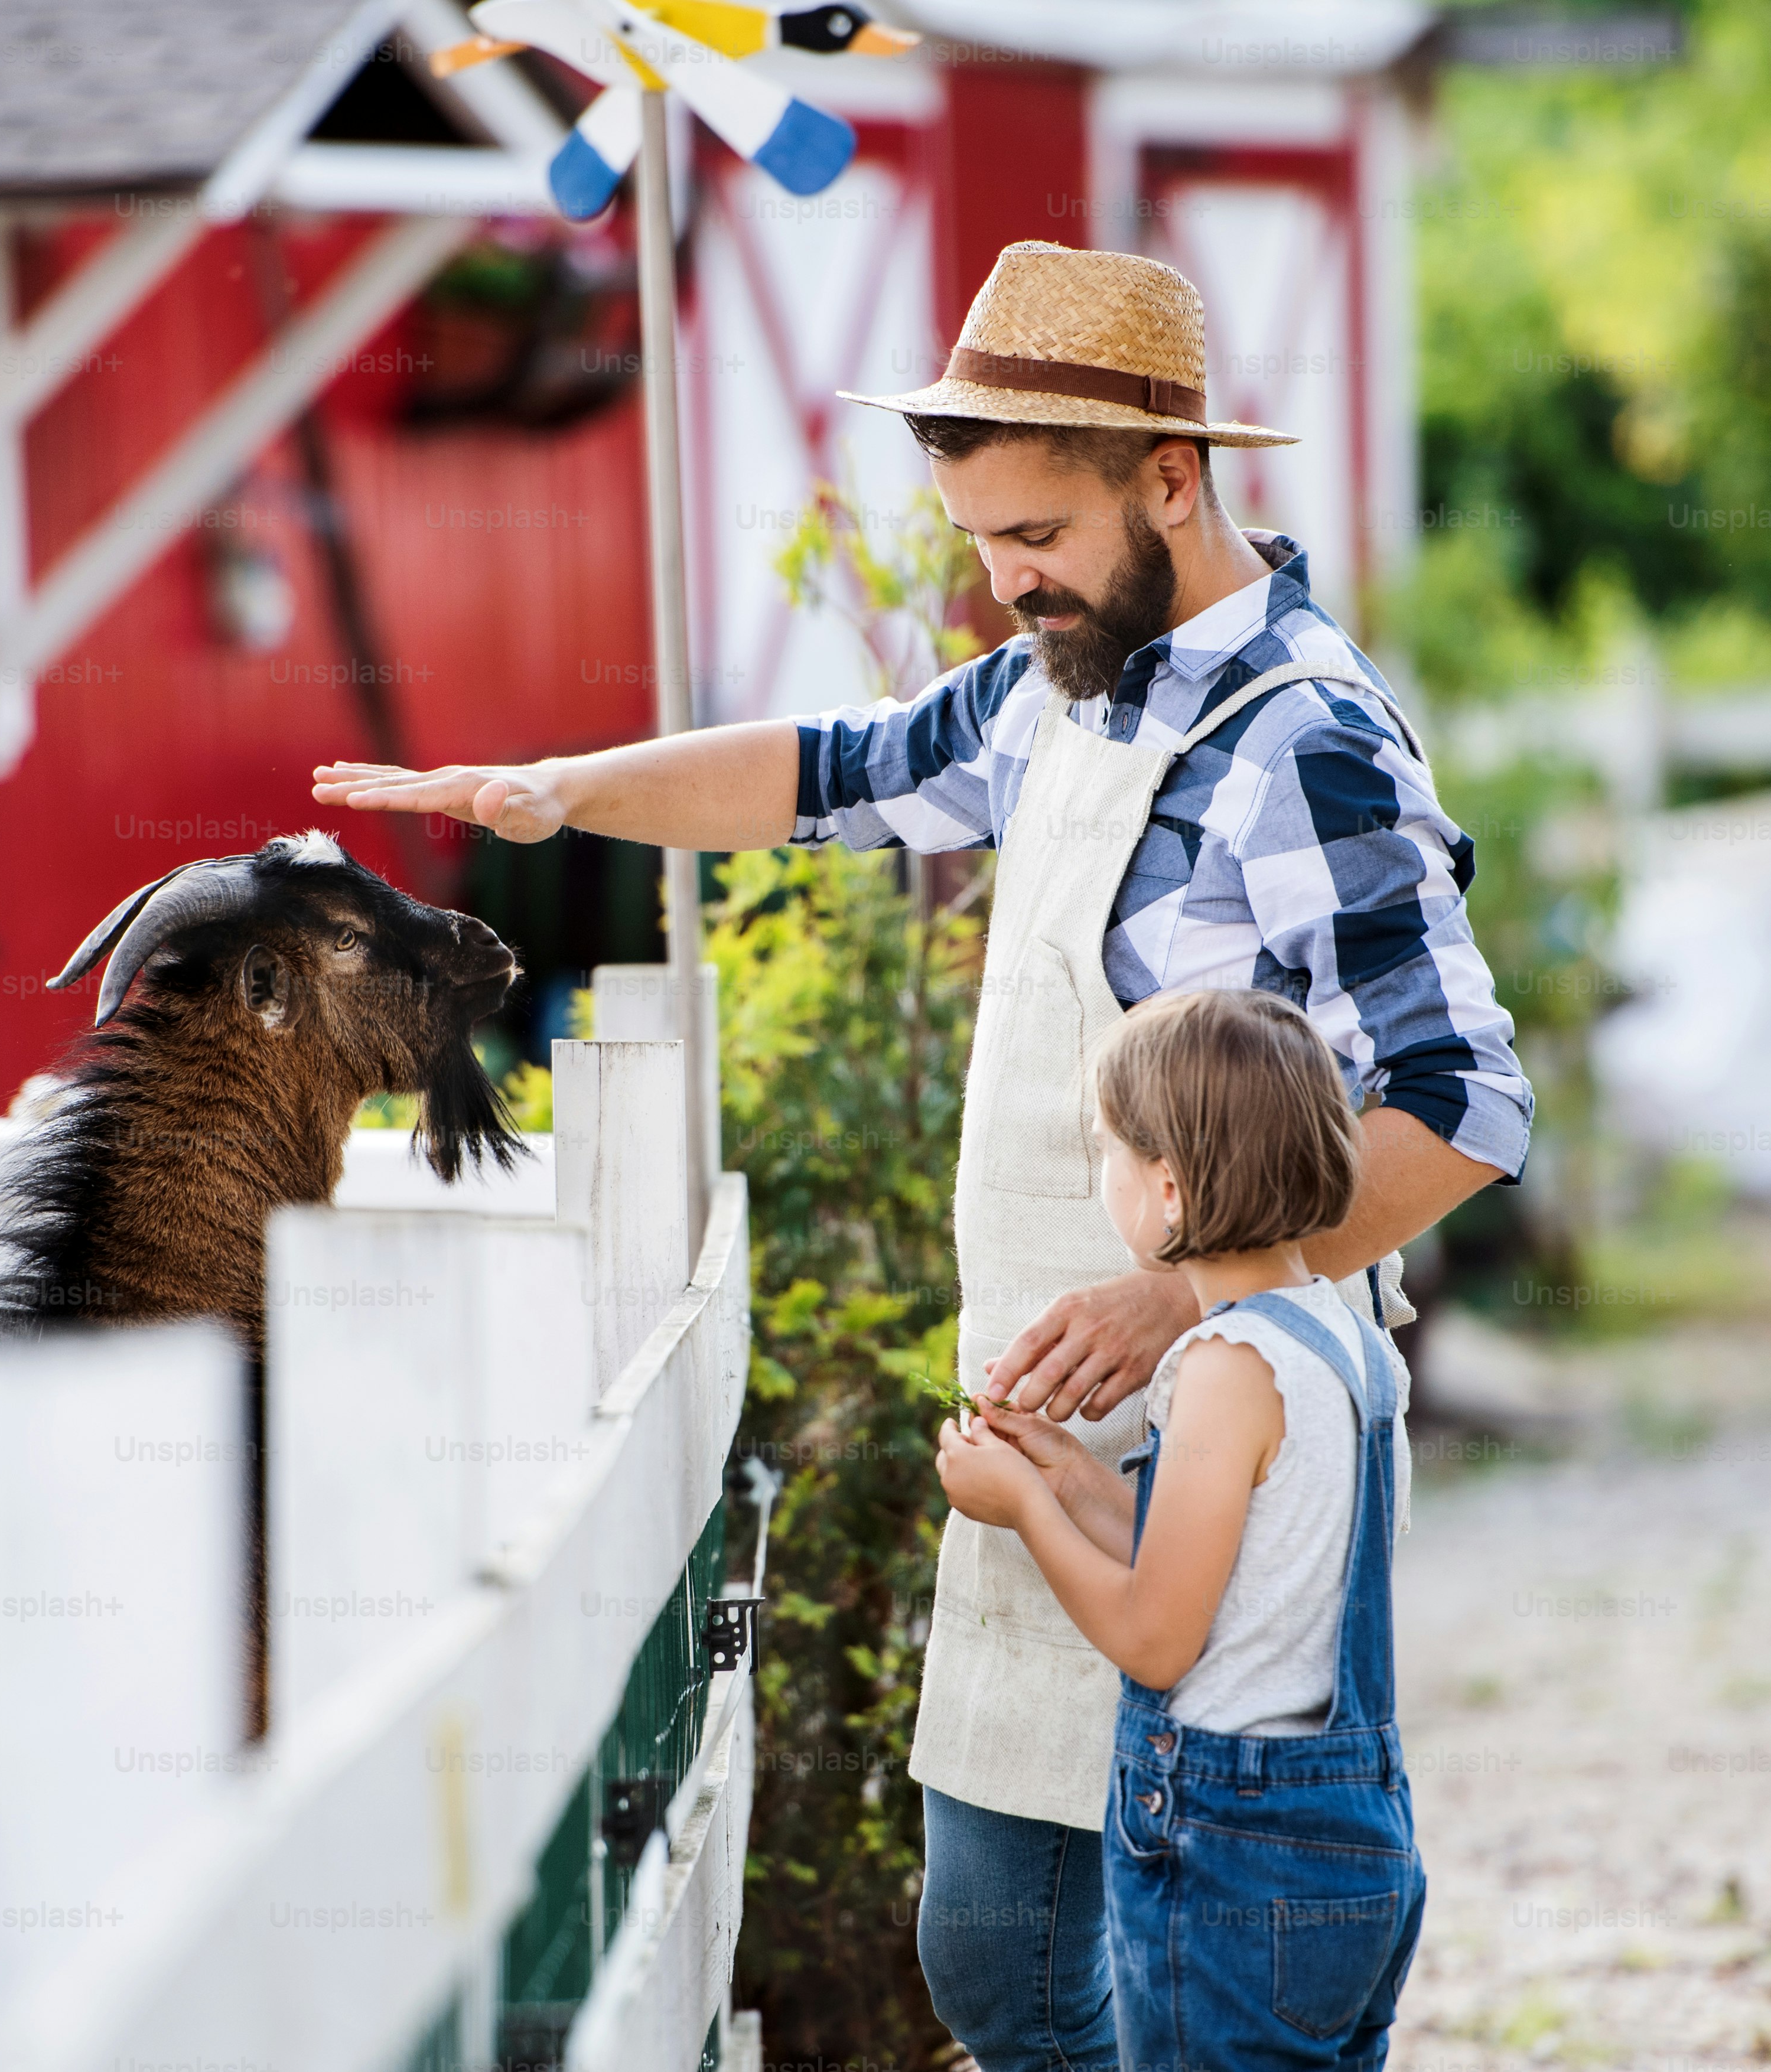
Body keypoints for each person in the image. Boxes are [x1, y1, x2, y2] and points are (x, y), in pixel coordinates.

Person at [314, 239, 1526, 2070]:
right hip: (1053, 1438)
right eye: (976, 540)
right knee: (999, 1955)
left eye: (1033, 533)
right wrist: (561, 790)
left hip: (1220, 1454)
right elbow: (829, 771)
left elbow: (1462, 1106)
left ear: (1172, 481)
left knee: (1151, 1980)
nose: (1002, 582)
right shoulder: (1062, 685)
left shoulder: (1308, 745)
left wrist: (1155, 1294)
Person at [935, 986, 1423, 2068]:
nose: (1099, 1175)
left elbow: (1159, 1636)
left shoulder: (1220, 1369)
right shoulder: (1347, 1348)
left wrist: (1016, 1509)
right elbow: (1240, 1566)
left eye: (1107, 1152)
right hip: (1353, 1836)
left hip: (1234, 1850)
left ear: (1167, 1189)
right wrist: (1068, 1479)